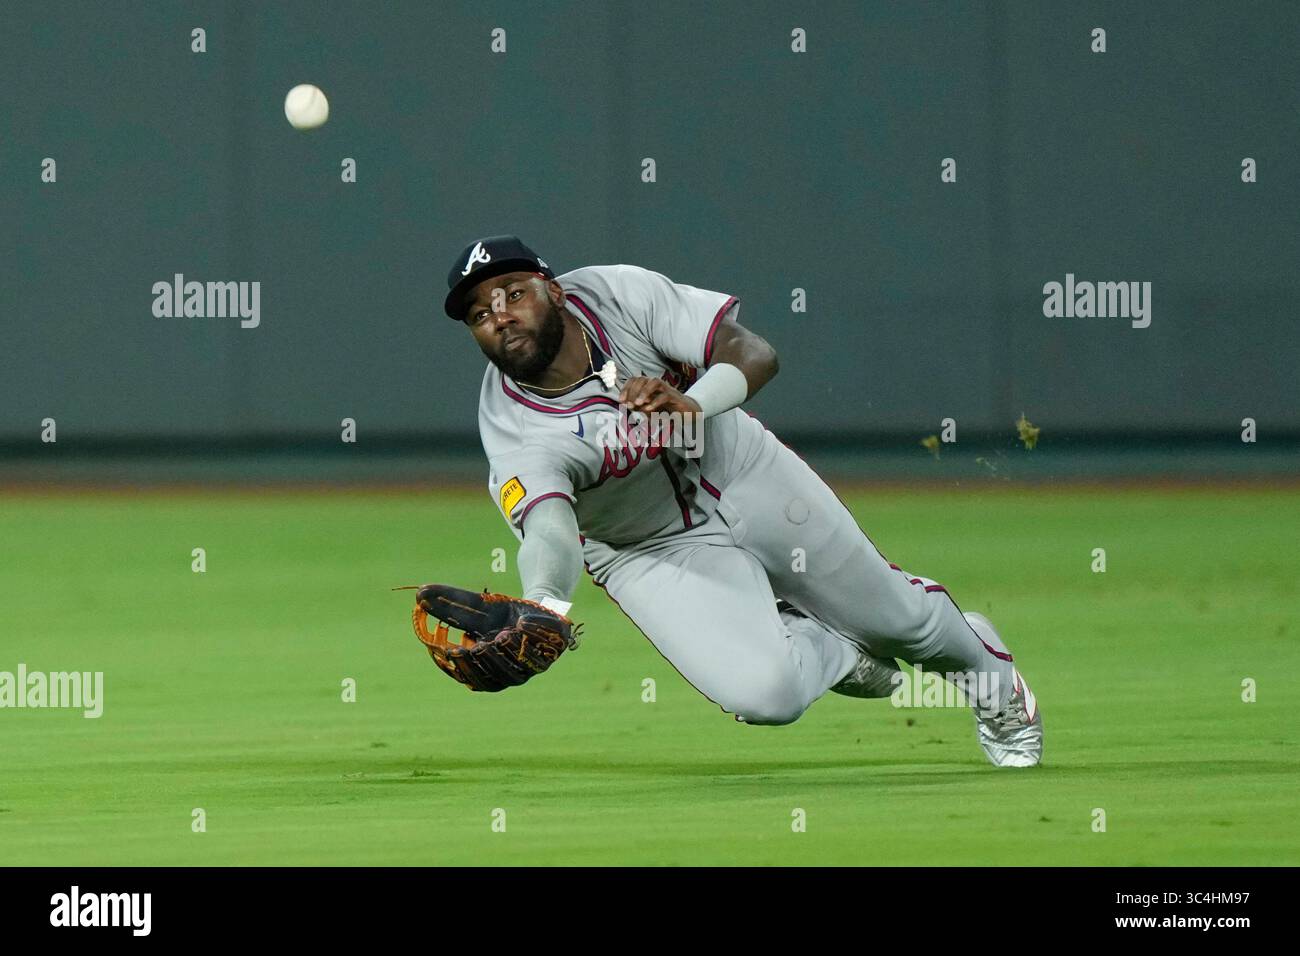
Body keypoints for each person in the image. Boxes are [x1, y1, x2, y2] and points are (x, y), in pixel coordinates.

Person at [444, 235, 1041, 766]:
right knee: (768, 698)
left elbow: (753, 352)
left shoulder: (617, 295)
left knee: (900, 623)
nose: (499, 316)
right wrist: (545, 605)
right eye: (479, 314)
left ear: (553, 291)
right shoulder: (513, 430)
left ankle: (998, 688)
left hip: (744, 472)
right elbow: (549, 530)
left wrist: (694, 405)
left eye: (512, 293)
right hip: (646, 548)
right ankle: (828, 646)